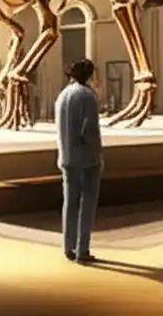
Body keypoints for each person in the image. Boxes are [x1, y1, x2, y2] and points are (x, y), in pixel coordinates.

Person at [55, 59, 103, 263]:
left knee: (70, 203)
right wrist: (97, 155)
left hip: (66, 157)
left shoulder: (62, 95)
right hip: (86, 159)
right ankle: (82, 249)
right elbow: (88, 130)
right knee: (87, 204)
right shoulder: (87, 96)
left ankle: (68, 246)